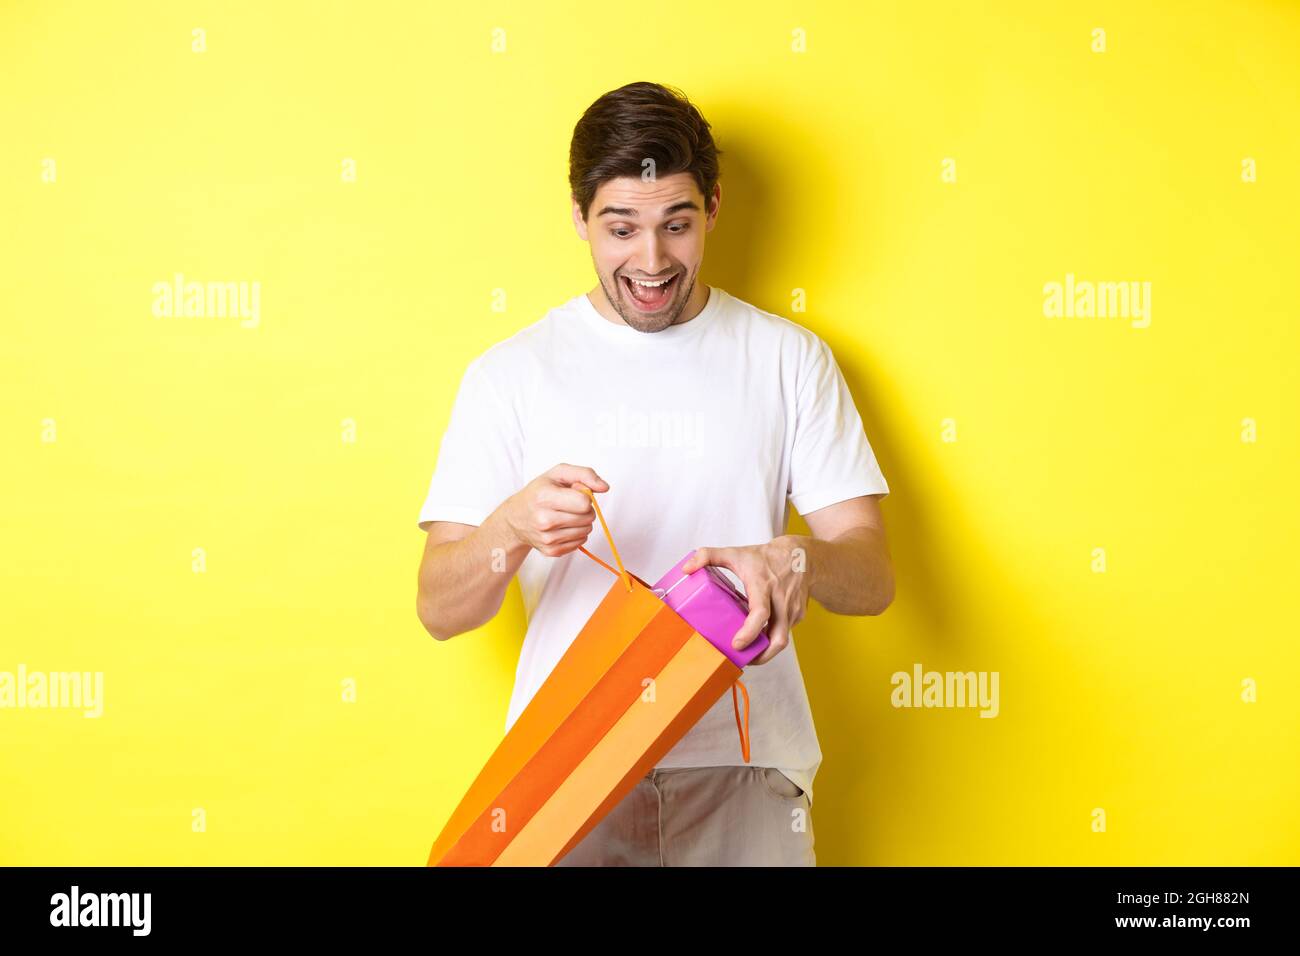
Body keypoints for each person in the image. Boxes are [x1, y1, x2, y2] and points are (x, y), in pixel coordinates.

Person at [416, 81, 895, 866]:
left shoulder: (788, 358)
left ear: (712, 207)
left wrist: (794, 556)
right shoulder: (510, 375)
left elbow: (873, 578)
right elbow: (440, 608)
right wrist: (508, 528)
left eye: (676, 225)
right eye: (621, 228)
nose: (651, 261)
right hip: (567, 768)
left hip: (746, 766)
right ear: (579, 219)